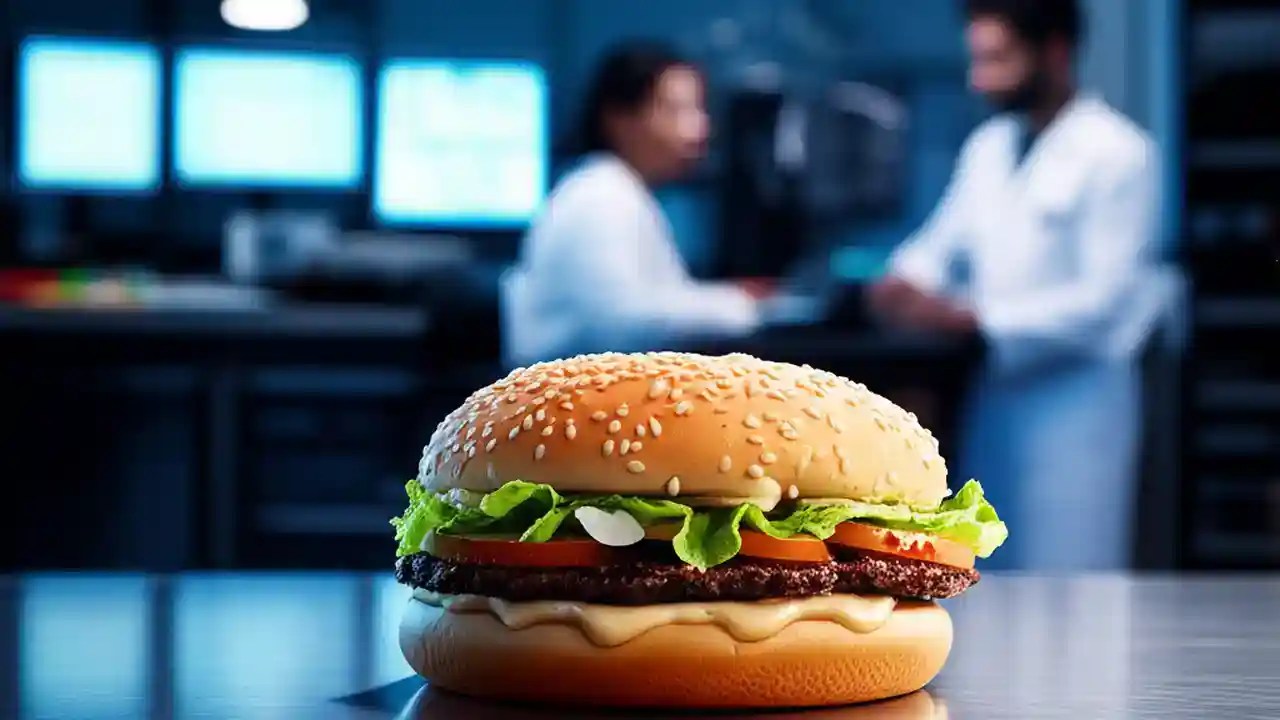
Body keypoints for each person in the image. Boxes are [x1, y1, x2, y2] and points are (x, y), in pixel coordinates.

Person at [866, 0, 1159, 570]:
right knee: (985, 574)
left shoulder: (1119, 153)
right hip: (995, 400)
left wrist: (974, 318)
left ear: (1055, 51)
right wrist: (900, 283)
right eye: (977, 60)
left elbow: (1104, 303)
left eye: (998, 59)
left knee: (1075, 587)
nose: (980, 79)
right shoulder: (989, 147)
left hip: (1077, 413)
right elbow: (935, 247)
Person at [501, 42, 768, 369]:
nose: (701, 129)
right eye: (677, 111)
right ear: (619, 118)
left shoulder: (619, 190)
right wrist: (743, 305)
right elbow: (620, 323)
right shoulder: (600, 197)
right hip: (573, 405)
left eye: (699, 110)